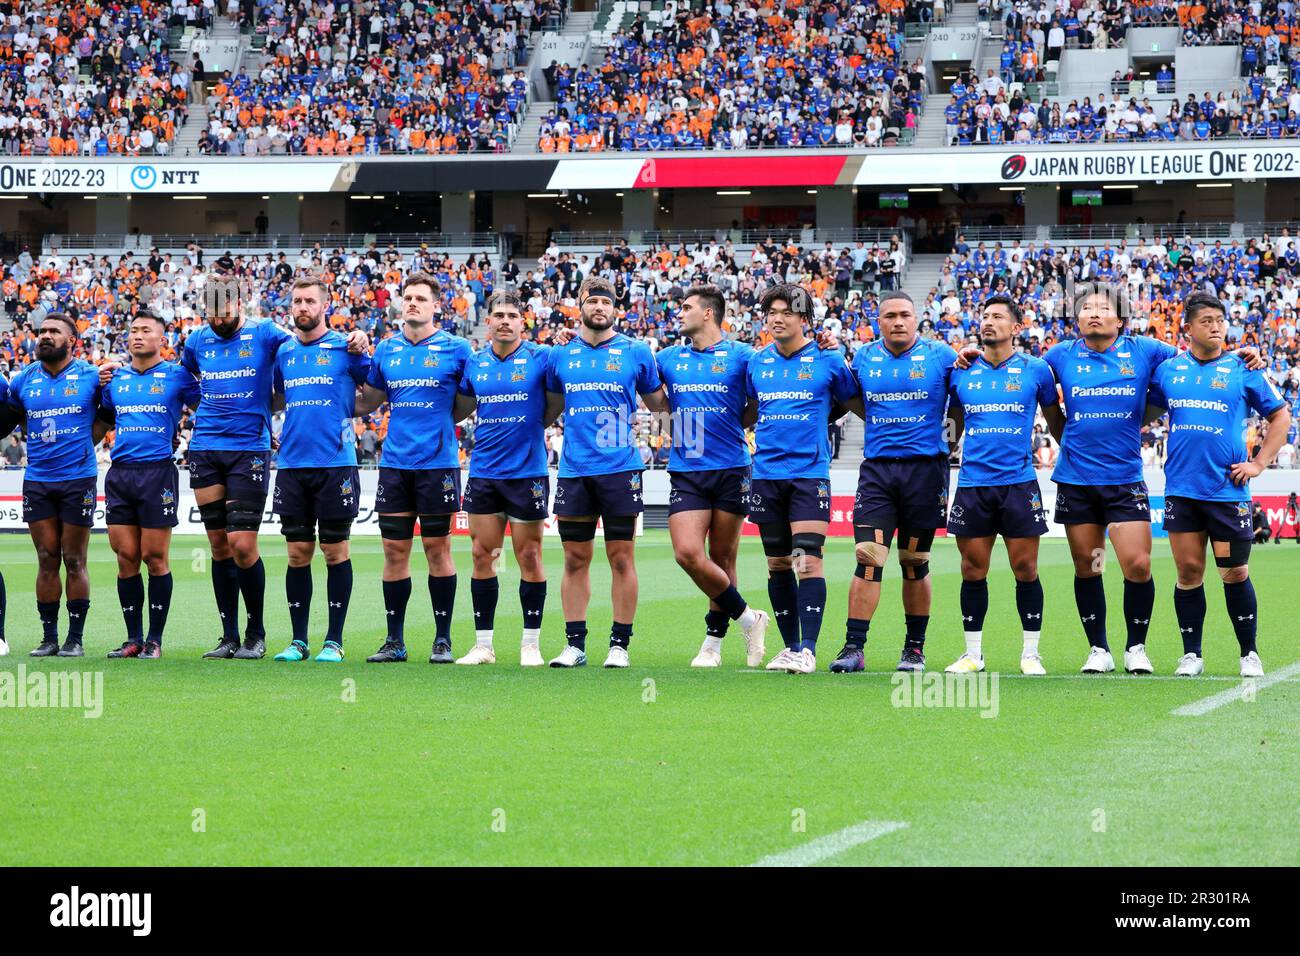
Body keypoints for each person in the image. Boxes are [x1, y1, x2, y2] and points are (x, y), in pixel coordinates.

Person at [1041, 283, 1262, 674]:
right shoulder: (1060, 355)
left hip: (1124, 479)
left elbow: (1198, 358)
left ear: (1120, 319)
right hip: (1076, 480)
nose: (1093, 312)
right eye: (1085, 307)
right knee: (1088, 566)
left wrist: (1245, 355)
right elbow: (1033, 387)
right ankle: (1099, 650)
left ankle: (1135, 647)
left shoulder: (1146, 350)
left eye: (1102, 307)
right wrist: (1066, 434)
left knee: (1138, 565)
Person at [172, 278, 366, 660]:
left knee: (242, 544)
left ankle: (256, 633)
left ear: (240, 304)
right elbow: (184, 380)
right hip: (206, 446)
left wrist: (356, 338)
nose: (218, 319)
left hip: (250, 449)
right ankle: (228, 636)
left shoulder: (269, 336)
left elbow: (303, 359)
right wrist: (209, 405)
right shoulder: (196, 341)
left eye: (225, 311)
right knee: (218, 546)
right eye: (211, 313)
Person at [1149, 292, 1290, 677]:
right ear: (1188, 327)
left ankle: (1249, 653)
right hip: (1181, 489)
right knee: (1189, 572)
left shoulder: (1243, 368)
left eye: (1220, 320)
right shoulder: (1168, 371)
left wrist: (1260, 462)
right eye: (1207, 320)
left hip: (1227, 492)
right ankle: (1191, 654)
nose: (1216, 326)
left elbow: (1280, 416)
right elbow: (1141, 408)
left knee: (1234, 573)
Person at [543, 276, 668, 668]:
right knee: (575, 558)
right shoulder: (560, 356)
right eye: (592, 300)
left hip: (621, 469)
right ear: (579, 306)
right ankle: (574, 645)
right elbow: (546, 410)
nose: (599, 306)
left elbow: (660, 405)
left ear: (616, 308)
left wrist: (673, 442)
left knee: (620, 558)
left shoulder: (636, 352)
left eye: (606, 301)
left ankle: (619, 646)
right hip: (575, 470)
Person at [836, 290, 958, 674]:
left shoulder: (941, 357)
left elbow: (958, 405)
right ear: (879, 320)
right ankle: (854, 647)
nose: (898, 321)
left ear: (917, 317)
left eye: (905, 314)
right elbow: (854, 400)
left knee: (914, 562)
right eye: (890, 316)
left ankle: (914, 649)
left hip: (926, 472)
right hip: (878, 472)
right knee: (868, 558)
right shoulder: (865, 357)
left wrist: (946, 444)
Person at [942, 296, 1064, 675]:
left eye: (997, 317)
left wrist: (1072, 453)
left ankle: (1030, 653)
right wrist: (941, 455)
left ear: (1016, 328)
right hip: (973, 483)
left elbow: (1055, 419)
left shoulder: (1037, 370)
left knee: (1025, 568)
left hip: (1019, 483)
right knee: (971, 568)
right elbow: (953, 422)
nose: (988, 321)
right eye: (984, 316)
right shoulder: (960, 371)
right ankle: (973, 654)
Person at [357, 274, 474, 663]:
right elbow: (369, 400)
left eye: (421, 298)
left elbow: (466, 402)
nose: (412, 303)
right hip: (395, 465)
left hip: (438, 464)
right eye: (407, 297)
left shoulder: (457, 349)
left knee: (437, 548)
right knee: (393, 551)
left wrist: (442, 422)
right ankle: (395, 641)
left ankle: (442, 640)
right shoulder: (386, 349)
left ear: (436, 306)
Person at [746, 284, 861, 674]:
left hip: (808, 476)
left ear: (805, 320)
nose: (777, 318)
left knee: (807, 562)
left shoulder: (828, 361)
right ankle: (790, 646)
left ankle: (808, 649)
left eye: (786, 312)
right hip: (765, 476)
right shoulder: (757, 363)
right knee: (778, 564)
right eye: (771, 312)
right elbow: (748, 410)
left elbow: (855, 403)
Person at [654, 284, 769, 668]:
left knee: (722, 556)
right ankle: (751, 619)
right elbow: (653, 398)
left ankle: (712, 646)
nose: (679, 312)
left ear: (708, 313)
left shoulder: (743, 356)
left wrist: (733, 424)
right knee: (688, 553)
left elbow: (758, 402)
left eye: (686, 307)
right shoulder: (668, 358)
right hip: (687, 470)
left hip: (733, 467)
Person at [452, 291, 562, 666]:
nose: (504, 320)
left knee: (529, 555)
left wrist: (535, 425)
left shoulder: (540, 358)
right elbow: (461, 407)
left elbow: (556, 401)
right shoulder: (475, 363)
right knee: (483, 554)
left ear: (523, 321)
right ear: (488, 322)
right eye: (498, 314)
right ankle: (484, 645)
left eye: (512, 315)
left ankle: (530, 643)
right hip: (484, 472)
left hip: (527, 473)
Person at [269, 277, 373, 663]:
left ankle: (334, 640)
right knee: (297, 553)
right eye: (297, 301)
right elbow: (275, 397)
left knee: (334, 551)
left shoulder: (346, 348)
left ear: (324, 305)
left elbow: (376, 389)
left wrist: (363, 341)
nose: (302, 307)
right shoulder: (283, 352)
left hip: (336, 464)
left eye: (310, 301)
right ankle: (298, 641)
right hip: (293, 465)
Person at [98, 311, 200, 659]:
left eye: (145, 330)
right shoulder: (115, 379)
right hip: (120, 473)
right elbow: (103, 418)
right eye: (133, 330)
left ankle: (155, 640)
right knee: (126, 557)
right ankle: (133, 638)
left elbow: (208, 407)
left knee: (154, 557)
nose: (137, 335)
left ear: (162, 339)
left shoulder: (178, 376)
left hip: (158, 474)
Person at [6, 313, 109, 656]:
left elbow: (105, 419)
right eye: (42, 331)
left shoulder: (92, 377)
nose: (45, 336)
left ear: (72, 341)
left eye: (54, 332)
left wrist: (82, 446)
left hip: (78, 478)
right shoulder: (22, 381)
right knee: (46, 557)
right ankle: (49, 638)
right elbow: (14, 419)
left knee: (74, 558)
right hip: (37, 479)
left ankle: (74, 639)